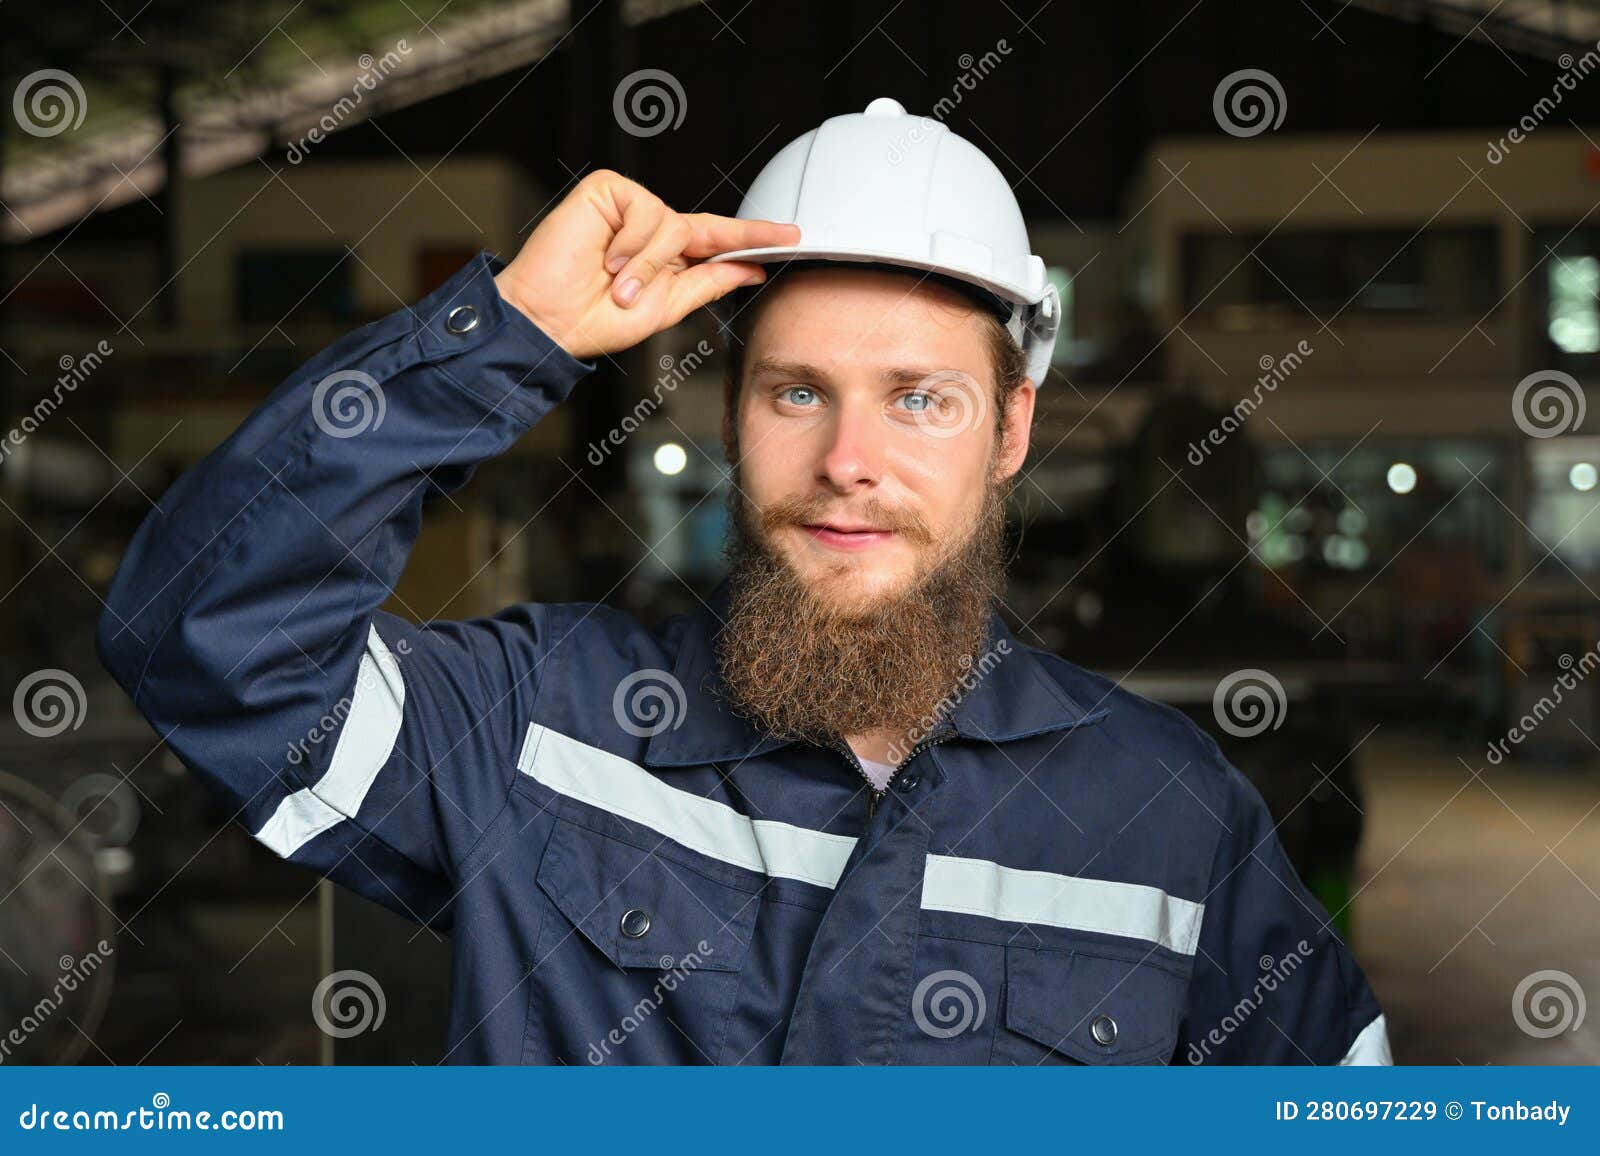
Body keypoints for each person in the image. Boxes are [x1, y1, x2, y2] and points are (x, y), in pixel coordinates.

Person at [97, 98, 1391, 1065]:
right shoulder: (539, 727)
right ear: (731, 418)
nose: (849, 462)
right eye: (798, 394)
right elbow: (206, 636)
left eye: (920, 399)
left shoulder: (1171, 819)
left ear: (1010, 430)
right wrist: (506, 338)